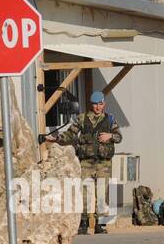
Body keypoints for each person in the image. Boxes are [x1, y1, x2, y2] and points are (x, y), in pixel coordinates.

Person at [41, 90, 121, 234]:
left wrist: (110, 136)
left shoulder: (110, 119)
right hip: (86, 162)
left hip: (104, 163)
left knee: (102, 193)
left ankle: (100, 224)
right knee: (84, 192)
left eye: (100, 104)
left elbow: (119, 137)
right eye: (95, 104)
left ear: (104, 104)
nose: (97, 107)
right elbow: (70, 134)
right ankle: (83, 223)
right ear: (91, 104)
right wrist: (56, 139)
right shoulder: (82, 118)